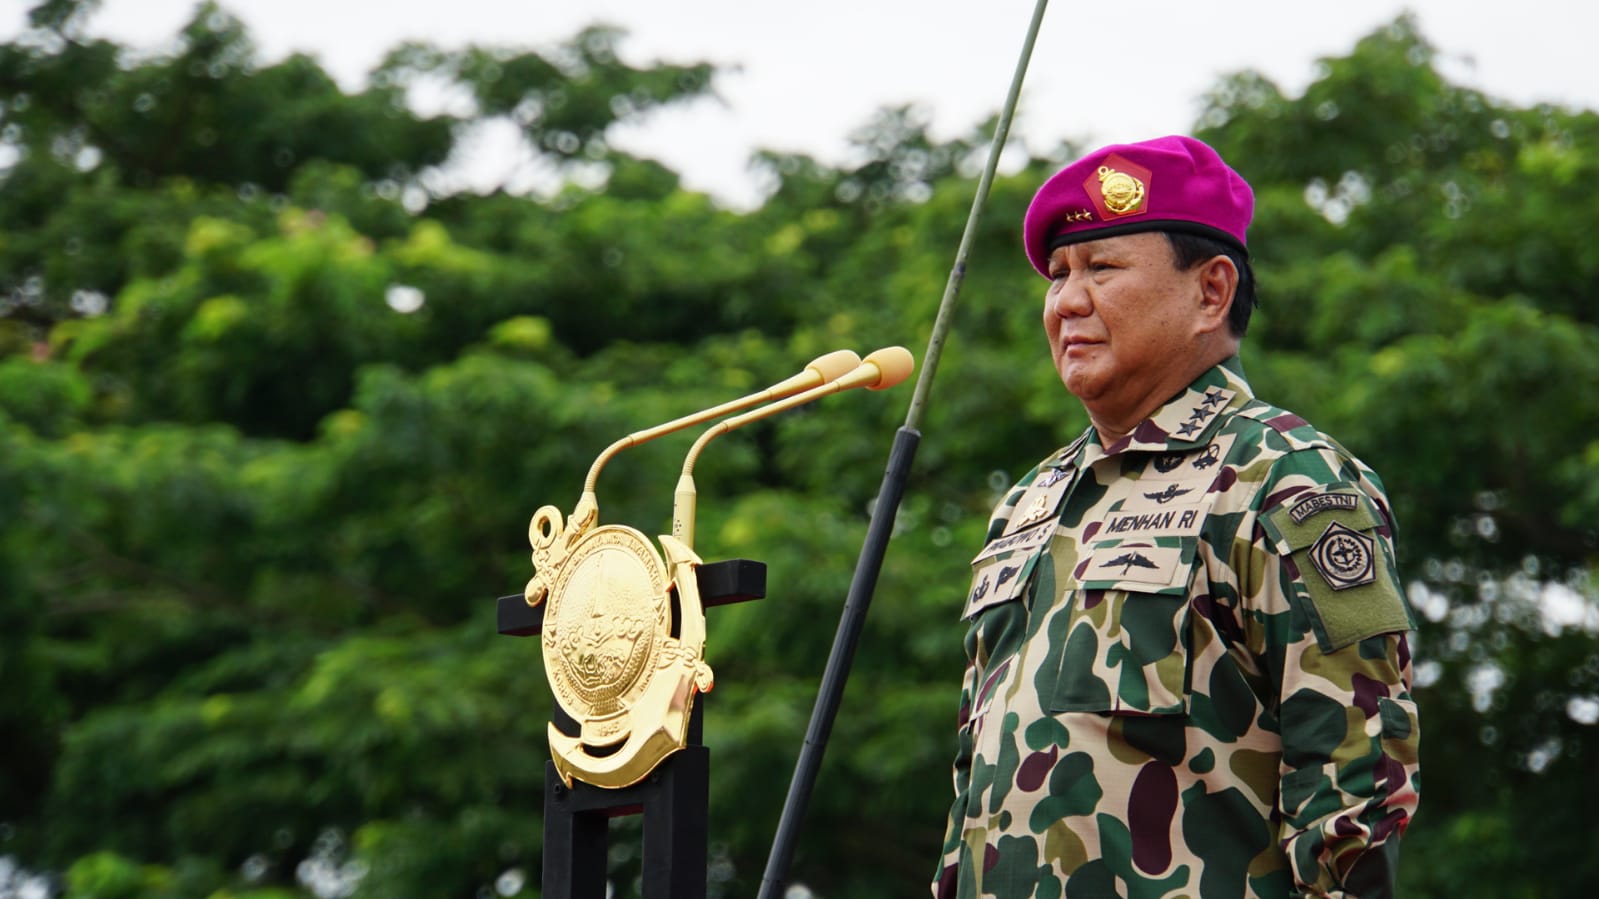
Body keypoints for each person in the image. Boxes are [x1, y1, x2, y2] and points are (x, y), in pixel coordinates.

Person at [933, 135, 1420, 899]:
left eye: (1102, 267)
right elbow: (973, 782)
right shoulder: (1031, 499)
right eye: (1058, 274)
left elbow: (1355, 773)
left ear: (1211, 291)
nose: (1065, 300)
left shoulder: (1286, 476)